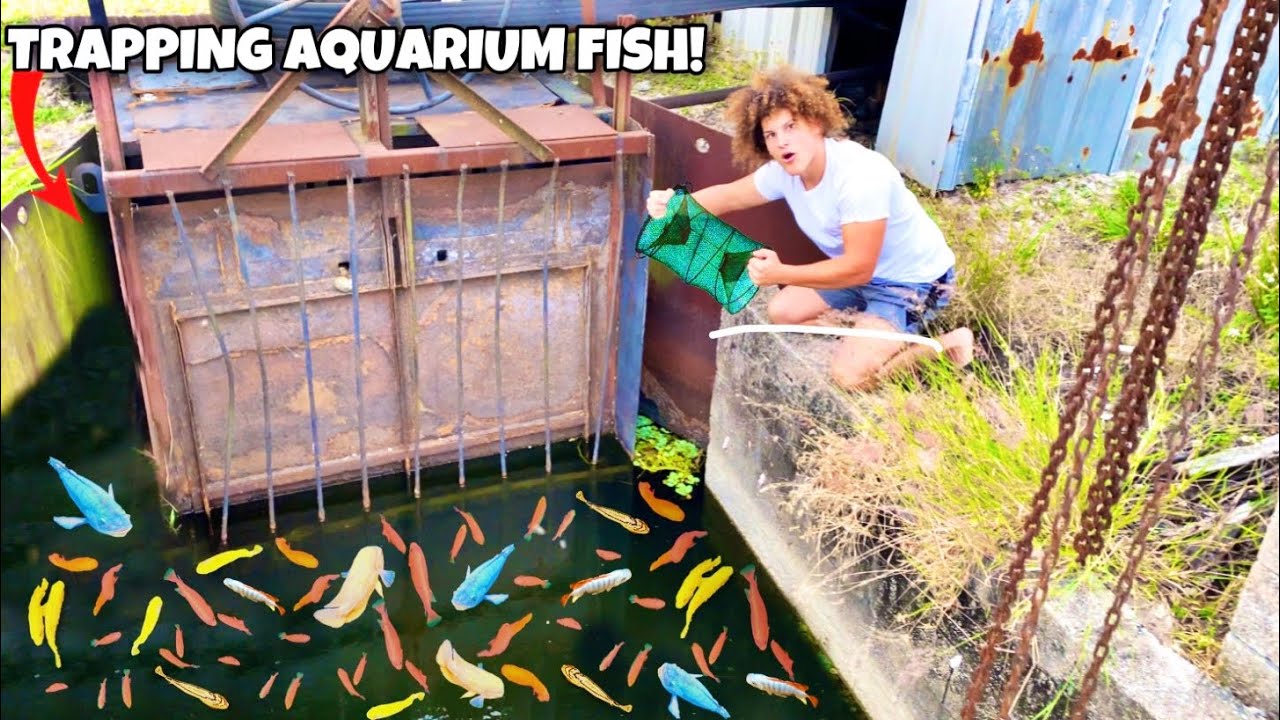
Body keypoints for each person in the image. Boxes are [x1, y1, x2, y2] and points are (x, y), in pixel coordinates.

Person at [646, 65, 974, 391]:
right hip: (863, 278)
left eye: (791, 126)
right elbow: (729, 197)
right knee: (783, 311)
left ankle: (943, 347)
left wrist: (781, 273)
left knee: (850, 377)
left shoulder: (859, 177)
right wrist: (674, 206)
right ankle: (873, 330)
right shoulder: (784, 172)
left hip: (911, 283)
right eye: (771, 135)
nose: (782, 142)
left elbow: (859, 268)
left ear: (816, 123)